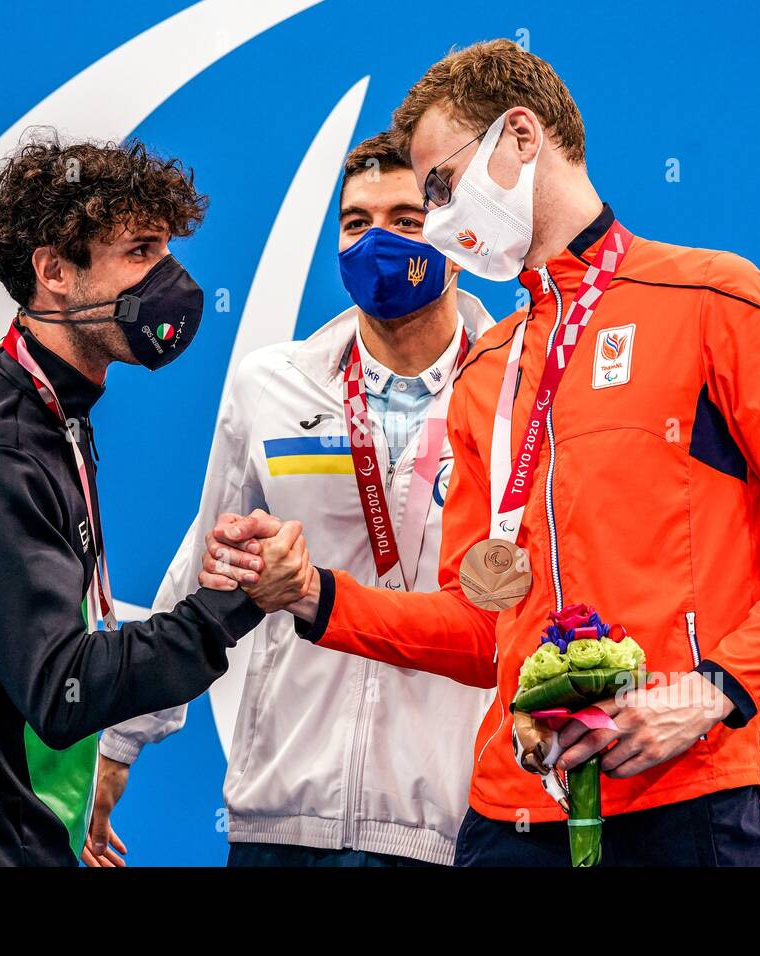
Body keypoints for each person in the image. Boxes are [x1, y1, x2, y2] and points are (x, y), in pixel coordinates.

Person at [205, 41, 760, 866]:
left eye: (442, 186)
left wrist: (715, 694)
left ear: (521, 137)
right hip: (506, 816)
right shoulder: (490, 368)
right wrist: (315, 596)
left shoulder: (719, 299)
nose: (443, 219)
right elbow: (479, 630)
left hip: (680, 799)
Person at [0, 133, 308, 866]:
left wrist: (59, 808)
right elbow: (64, 688)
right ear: (54, 272)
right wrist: (238, 602)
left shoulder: (18, 397)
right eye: (139, 252)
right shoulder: (0, 449)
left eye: (164, 250)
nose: (171, 280)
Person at [86, 133, 494, 867]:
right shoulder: (272, 386)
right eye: (355, 222)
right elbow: (207, 565)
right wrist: (117, 746)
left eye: (406, 220)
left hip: (454, 827)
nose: (376, 242)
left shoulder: (519, 395)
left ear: (459, 241)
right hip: (283, 821)